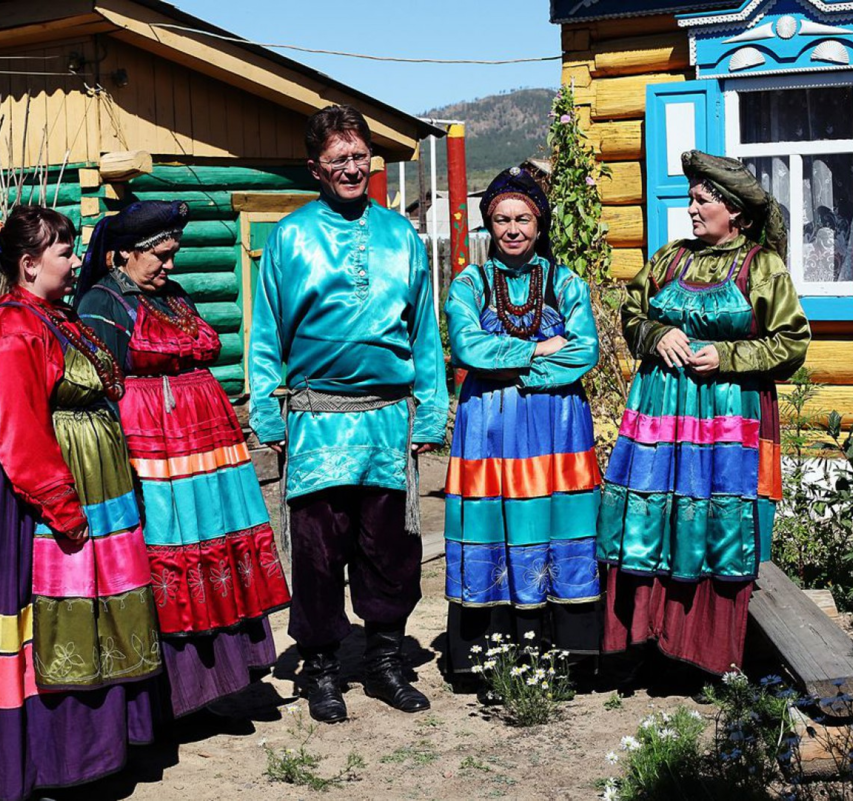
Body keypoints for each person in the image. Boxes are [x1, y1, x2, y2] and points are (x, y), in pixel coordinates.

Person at [247, 104, 448, 723]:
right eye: (339, 160)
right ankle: (323, 669)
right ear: (315, 168)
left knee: (389, 548)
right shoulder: (289, 238)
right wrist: (270, 417)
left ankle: (386, 661)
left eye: (361, 157)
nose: (353, 168)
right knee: (315, 551)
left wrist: (430, 414)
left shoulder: (401, 236)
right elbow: (266, 337)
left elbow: (424, 335)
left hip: (387, 420)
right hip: (315, 421)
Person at [0, 206, 162, 801]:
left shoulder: (57, 318)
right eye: (64, 254)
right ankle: (45, 759)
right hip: (37, 505)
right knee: (44, 623)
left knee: (89, 616)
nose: (75, 264)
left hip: (91, 489)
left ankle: (93, 751)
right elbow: (19, 431)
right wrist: (62, 507)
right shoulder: (12, 329)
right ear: (28, 264)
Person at [597, 151, 810, 678]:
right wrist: (654, 333)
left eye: (702, 200)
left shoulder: (762, 266)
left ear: (734, 211)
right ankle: (642, 644)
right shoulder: (670, 259)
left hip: (725, 418)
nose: (691, 209)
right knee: (652, 518)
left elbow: (792, 343)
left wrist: (729, 355)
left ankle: (704, 656)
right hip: (660, 415)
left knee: (715, 522)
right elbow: (631, 313)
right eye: (691, 199)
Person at [76, 200, 291, 719]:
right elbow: (102, 389)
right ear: (123, 252)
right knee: (171, 549)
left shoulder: (173, 296)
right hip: (155, 452)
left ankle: (230, 675)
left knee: (216, 542)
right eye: (161, 256)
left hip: (205, 448)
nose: (170, 266)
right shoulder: (102, 306)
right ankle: (179, 692)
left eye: (173, 255)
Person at [442, 165, 602, 689]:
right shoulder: (470, 282)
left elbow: (584, 352)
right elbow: (466, 347)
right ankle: (484, 659)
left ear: (540, 224)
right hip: (487, 430)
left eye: (523, 219)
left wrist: (506, 363)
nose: (512, 230)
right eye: (501, 220)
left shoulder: (565, 282)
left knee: (556, 522)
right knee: (492, 525)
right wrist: (537, 348)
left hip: (557, 429)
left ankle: (569, 656)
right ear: (488, 225)